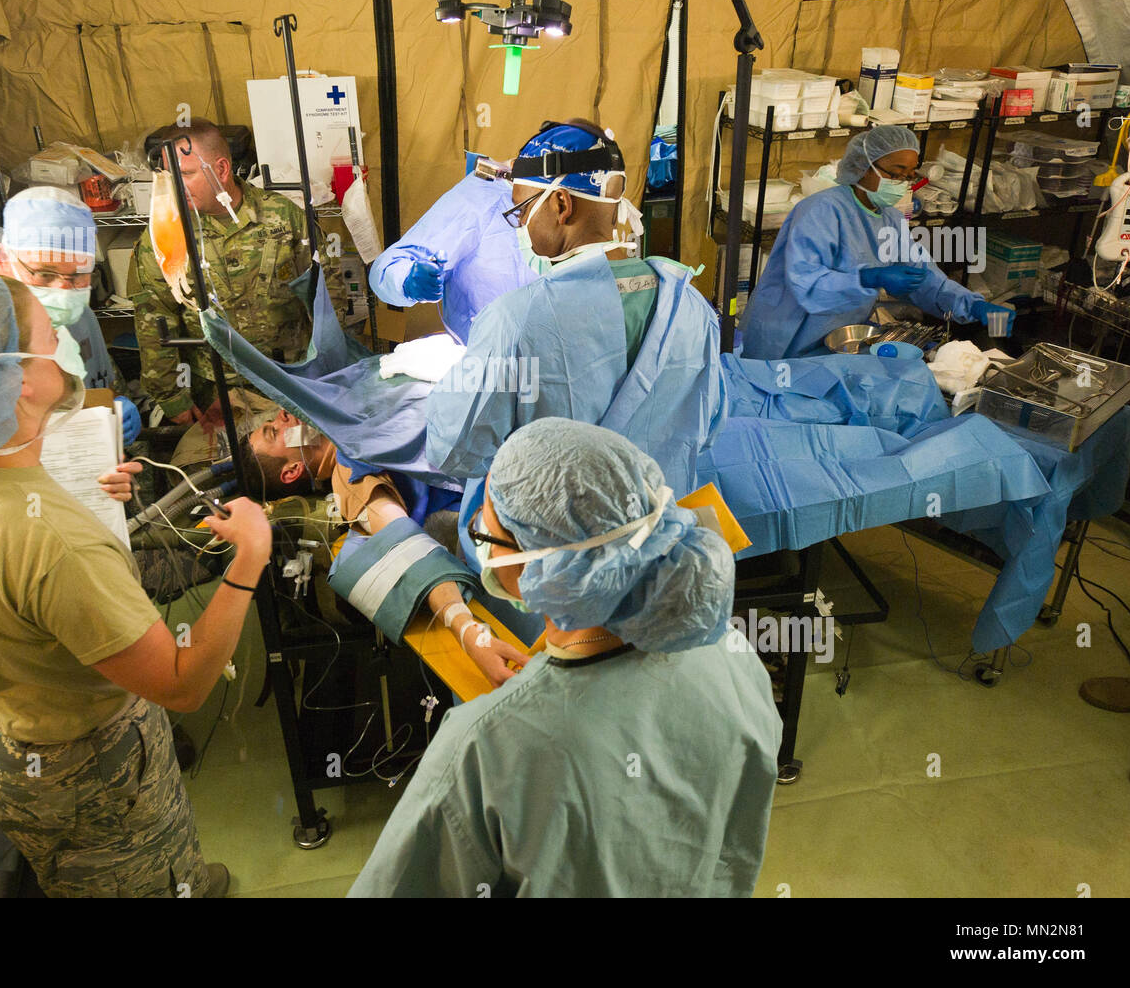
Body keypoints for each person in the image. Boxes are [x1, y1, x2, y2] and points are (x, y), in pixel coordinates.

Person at [0, 270, 274, 897]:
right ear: (19, 376)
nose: (64, 336)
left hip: (4, 738)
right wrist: (250, 555)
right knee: (138, 880)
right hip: (90, 773)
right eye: (46, 330)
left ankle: (185, 879)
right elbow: (183, 682)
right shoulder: (54, 543)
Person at [349, 418, 781, 897]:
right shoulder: (735, 657)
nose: (480, 546)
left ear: (546, 567)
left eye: (485, 536)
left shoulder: (485, 748)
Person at [425, 119, 727, 543]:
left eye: (521, 211)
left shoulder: (516, 321)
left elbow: (454, 447)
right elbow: (708, 427)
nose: (519, 227)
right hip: (657, 541)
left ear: (561, 205)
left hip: (550, 559)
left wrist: (452, 391)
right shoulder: (693, 308)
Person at [241, 407, 530, 688]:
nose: (282, 416)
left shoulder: (343, 420)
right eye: (273, 432)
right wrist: (468, 631)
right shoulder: (349, 473)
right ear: (292, 471)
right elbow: (402, 541)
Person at [130, 118, 346, 431]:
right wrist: (171, 396)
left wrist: (328, 373)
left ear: (221, 169)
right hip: (215, 393)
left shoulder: (283, 218)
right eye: (169, 175)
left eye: (187, 174)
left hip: (289, 380)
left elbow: (328, 296)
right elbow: (153, 318)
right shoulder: (165, 236)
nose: (176, 186)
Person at [738, 125, 1017, 360]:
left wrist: (973, 306)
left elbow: (925, 278)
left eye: (909, 176)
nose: (902, 183)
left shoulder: (891, 220)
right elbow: (806, 284)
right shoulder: (820, 211)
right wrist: (870, 277)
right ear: (864, 168)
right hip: (786, 337)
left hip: (838, 338)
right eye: (895, 174)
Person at [0, 185, 141, 447]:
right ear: (3, 258)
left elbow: (105, 382)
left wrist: (114, 406)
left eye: (77, 276)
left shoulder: (81, 317)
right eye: (45, 275)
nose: (62, 292)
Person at [367, 166, 536, 343]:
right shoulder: (482, 197)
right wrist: (407, 279)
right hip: (483, 360)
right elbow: (386, 268)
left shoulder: (558, 203)